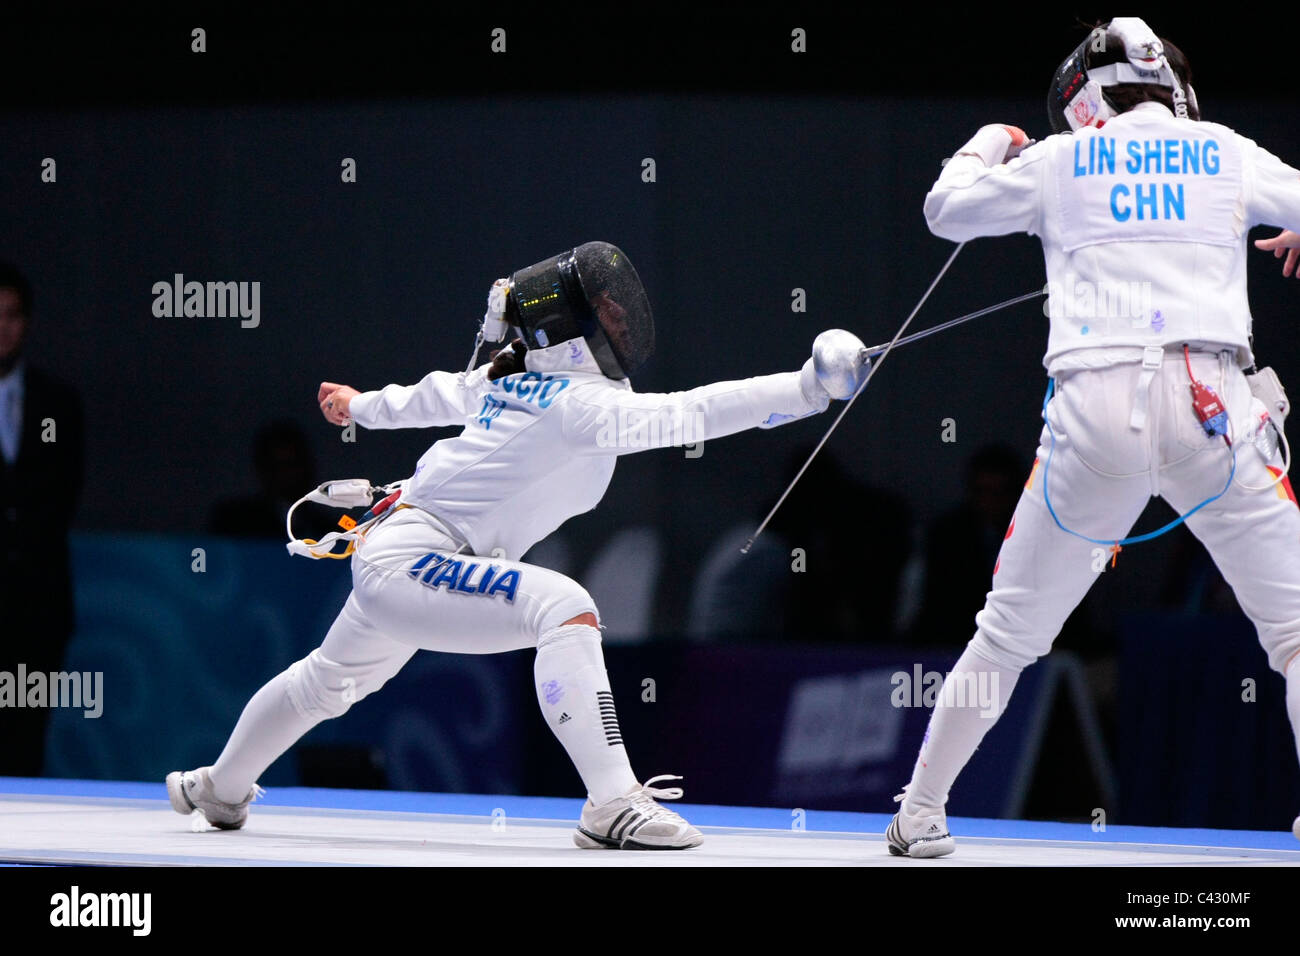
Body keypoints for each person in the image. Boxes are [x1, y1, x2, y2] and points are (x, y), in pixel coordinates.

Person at [167, 241, 865, 849]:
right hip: (415, 554)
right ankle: (612, 802)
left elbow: (439, 395)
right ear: (571, 324)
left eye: (619, 305)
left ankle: (218, 790)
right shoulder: (575, 403)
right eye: (606, 307)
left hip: (414, 557)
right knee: (563, 607)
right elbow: (694, 411)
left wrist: (359, 405)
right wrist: (807, 388)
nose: (621, 315)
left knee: (329, 680)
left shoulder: (527, 382)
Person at [886, 18, 1300, 857]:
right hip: (1215, 407)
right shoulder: (1223, 149)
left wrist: (991, 140)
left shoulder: (1060, 159)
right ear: (1172, 85)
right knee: (1296, 632)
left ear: (1082, 97)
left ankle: (919, 815)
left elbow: (944, 212)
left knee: (1008, 632)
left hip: (1092, 414)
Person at [0, 262, 84, 776]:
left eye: (11, 315)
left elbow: (64, 495)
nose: (1, 327)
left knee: (25, 734)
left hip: (37, 603)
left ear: (27, 322)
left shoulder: (58, 402)